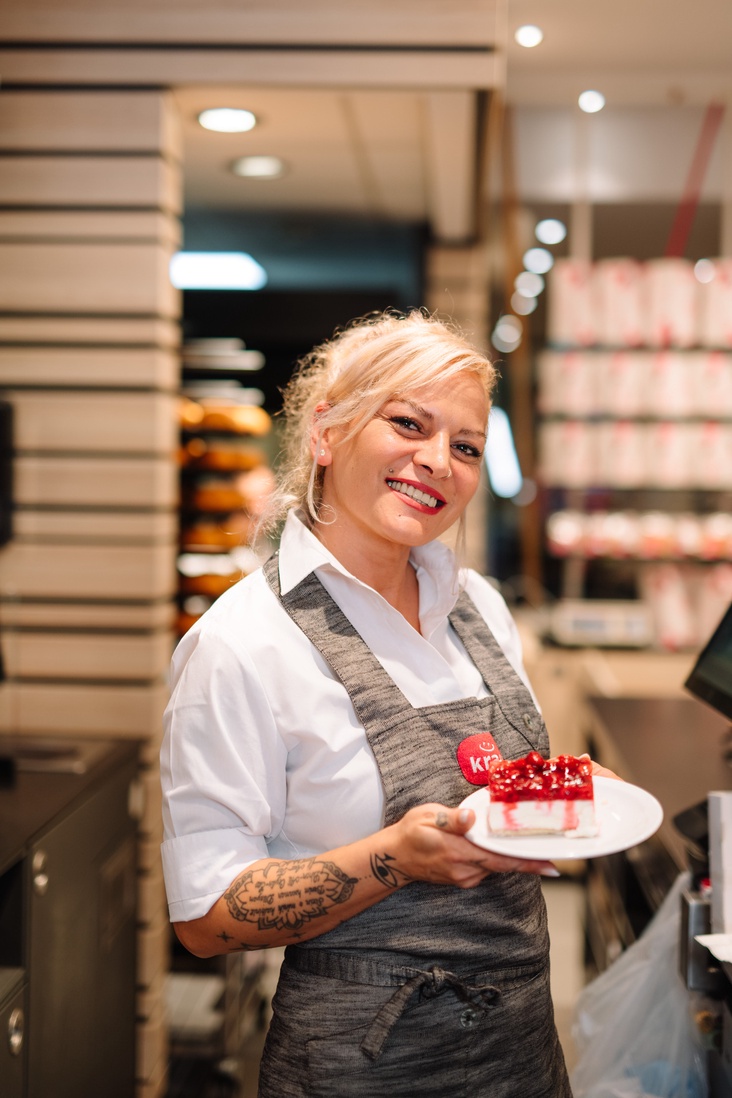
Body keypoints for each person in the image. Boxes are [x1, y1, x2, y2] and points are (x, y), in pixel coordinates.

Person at [161, 309, 591, 1097]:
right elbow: (205, 915)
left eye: (465, 447)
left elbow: (499, 798)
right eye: (408, 424)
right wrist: (393, 858)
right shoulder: (243, 644)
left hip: (521, 1050)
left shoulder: (480, 609)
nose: (439, 462)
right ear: (326, 434)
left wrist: (559, 795)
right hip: (362, 1064)